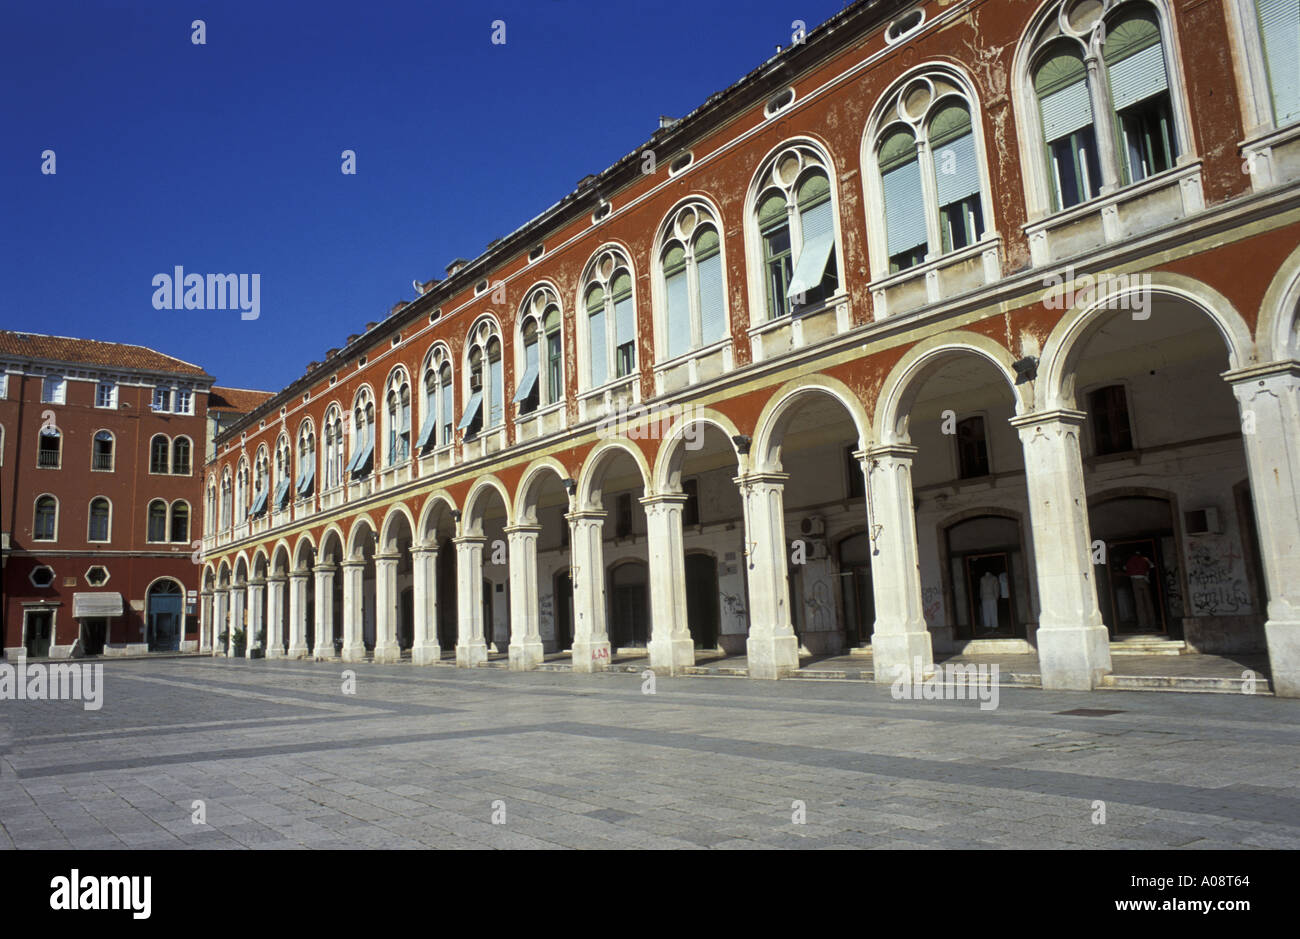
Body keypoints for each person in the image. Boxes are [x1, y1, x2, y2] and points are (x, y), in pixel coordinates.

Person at [1124, 551, 1156, 629]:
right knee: (1148, 602)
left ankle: (1143, 623)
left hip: (1135, 581)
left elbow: (1125, 568)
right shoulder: (1144, 559)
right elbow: (1152, 566)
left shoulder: (1130, 560)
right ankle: (1152, 622)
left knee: (1139, 603)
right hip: (1144, 580)